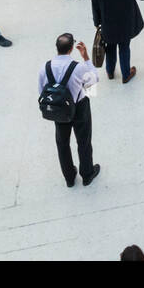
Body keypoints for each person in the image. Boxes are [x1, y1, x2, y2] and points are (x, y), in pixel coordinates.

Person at [37, 33, 101, 187]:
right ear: (72, 48)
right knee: (83, 141)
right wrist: (86, 57)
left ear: (56, 47)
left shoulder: (45, 68)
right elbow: (94, 80)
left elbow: (41, 91)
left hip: (58, 109)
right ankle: (87, 174)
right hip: (79, 107)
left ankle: (69, 177)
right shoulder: (78, 67)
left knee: (62, 143)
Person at [90, 0, 144, 82]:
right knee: (124, 47)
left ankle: (110, 71)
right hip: (127, 22)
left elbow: (94, 3)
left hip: (107, 22)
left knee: (110, 47)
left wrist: (97, 22)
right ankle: (126, 74)